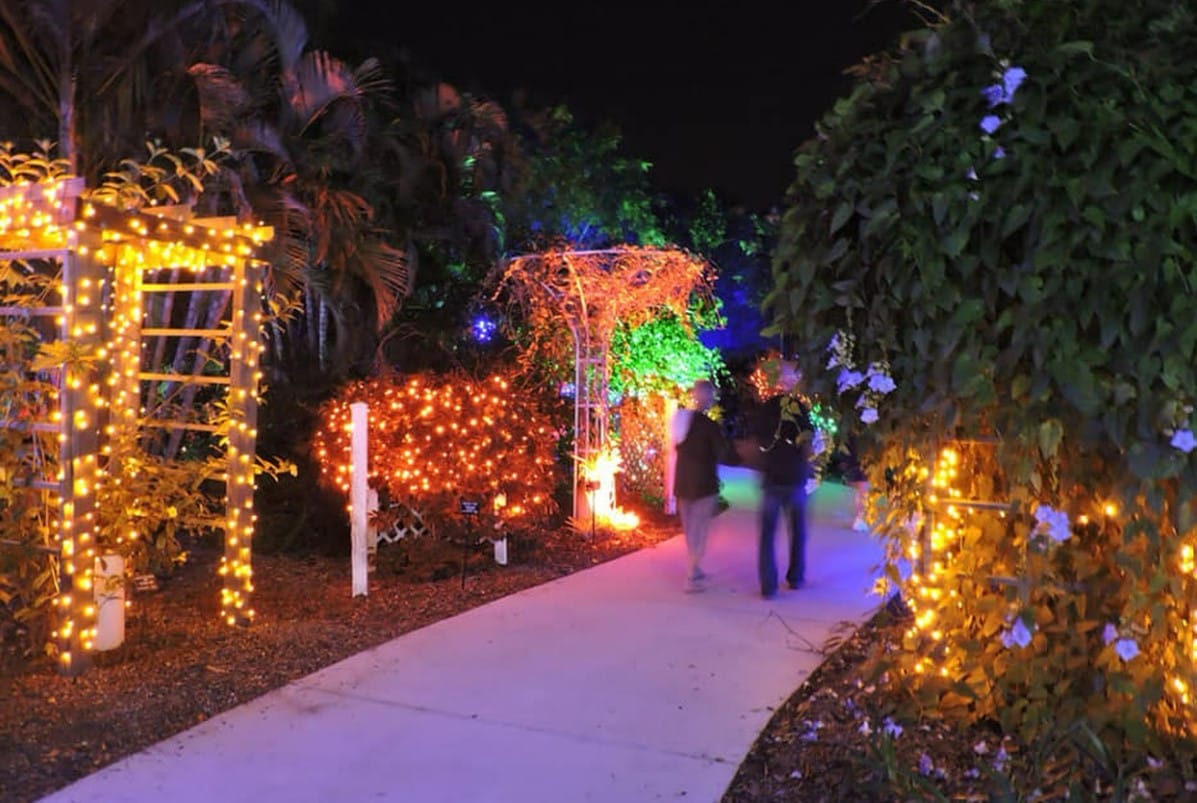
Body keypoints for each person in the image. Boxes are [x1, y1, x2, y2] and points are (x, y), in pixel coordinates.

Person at [669, 379, 739, 593]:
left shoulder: (680, 421)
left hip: (683, 483)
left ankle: (695, 568)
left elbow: (675, 446)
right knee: (700, 531)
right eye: (711, 395)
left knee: (690, 531)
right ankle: (691, 577)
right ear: (708, 397)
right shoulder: (710, 426)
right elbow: (723, 453)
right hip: (703, 485)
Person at [751, 361, 812, 598]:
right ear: (793, 382)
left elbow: (758, 441)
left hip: (772, 478)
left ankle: (769, 585)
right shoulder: (800, 409)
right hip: (794, 478)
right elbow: (807, 444)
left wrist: (763, 464)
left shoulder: (766, 408)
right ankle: (795, 577)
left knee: (768, 534)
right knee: (797, 530)